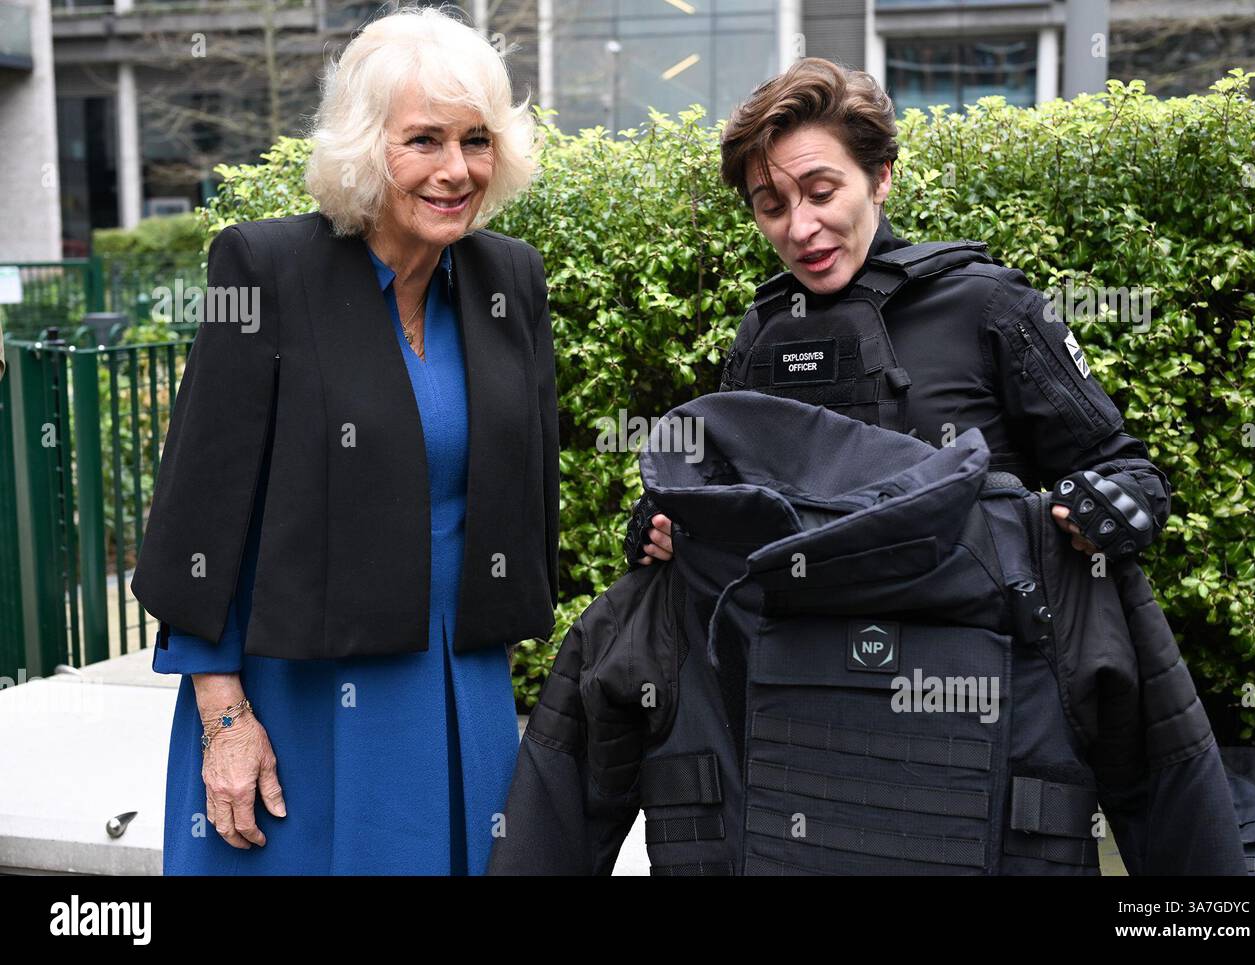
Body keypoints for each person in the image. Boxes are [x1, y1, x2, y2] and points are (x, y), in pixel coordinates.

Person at [132, 6, 558, 874]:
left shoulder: (507, 277)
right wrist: (224, 719)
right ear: (368, 146)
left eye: (476, 140)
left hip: (462, 688)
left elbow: (527, 496)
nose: (455, 170)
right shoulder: (264, 269)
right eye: (424, 141)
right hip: (297, 700)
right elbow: (198, 516)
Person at [627, 58, 1169, 570]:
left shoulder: (988, 303)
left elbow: (1125, 471)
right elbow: (719, 489)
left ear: (881, 177)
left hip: (969, 643)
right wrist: (662, 528)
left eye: (821, 193)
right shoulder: (765, 327)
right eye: (771, 207)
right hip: (799, 656)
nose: (799, 228)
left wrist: (1113, 508)